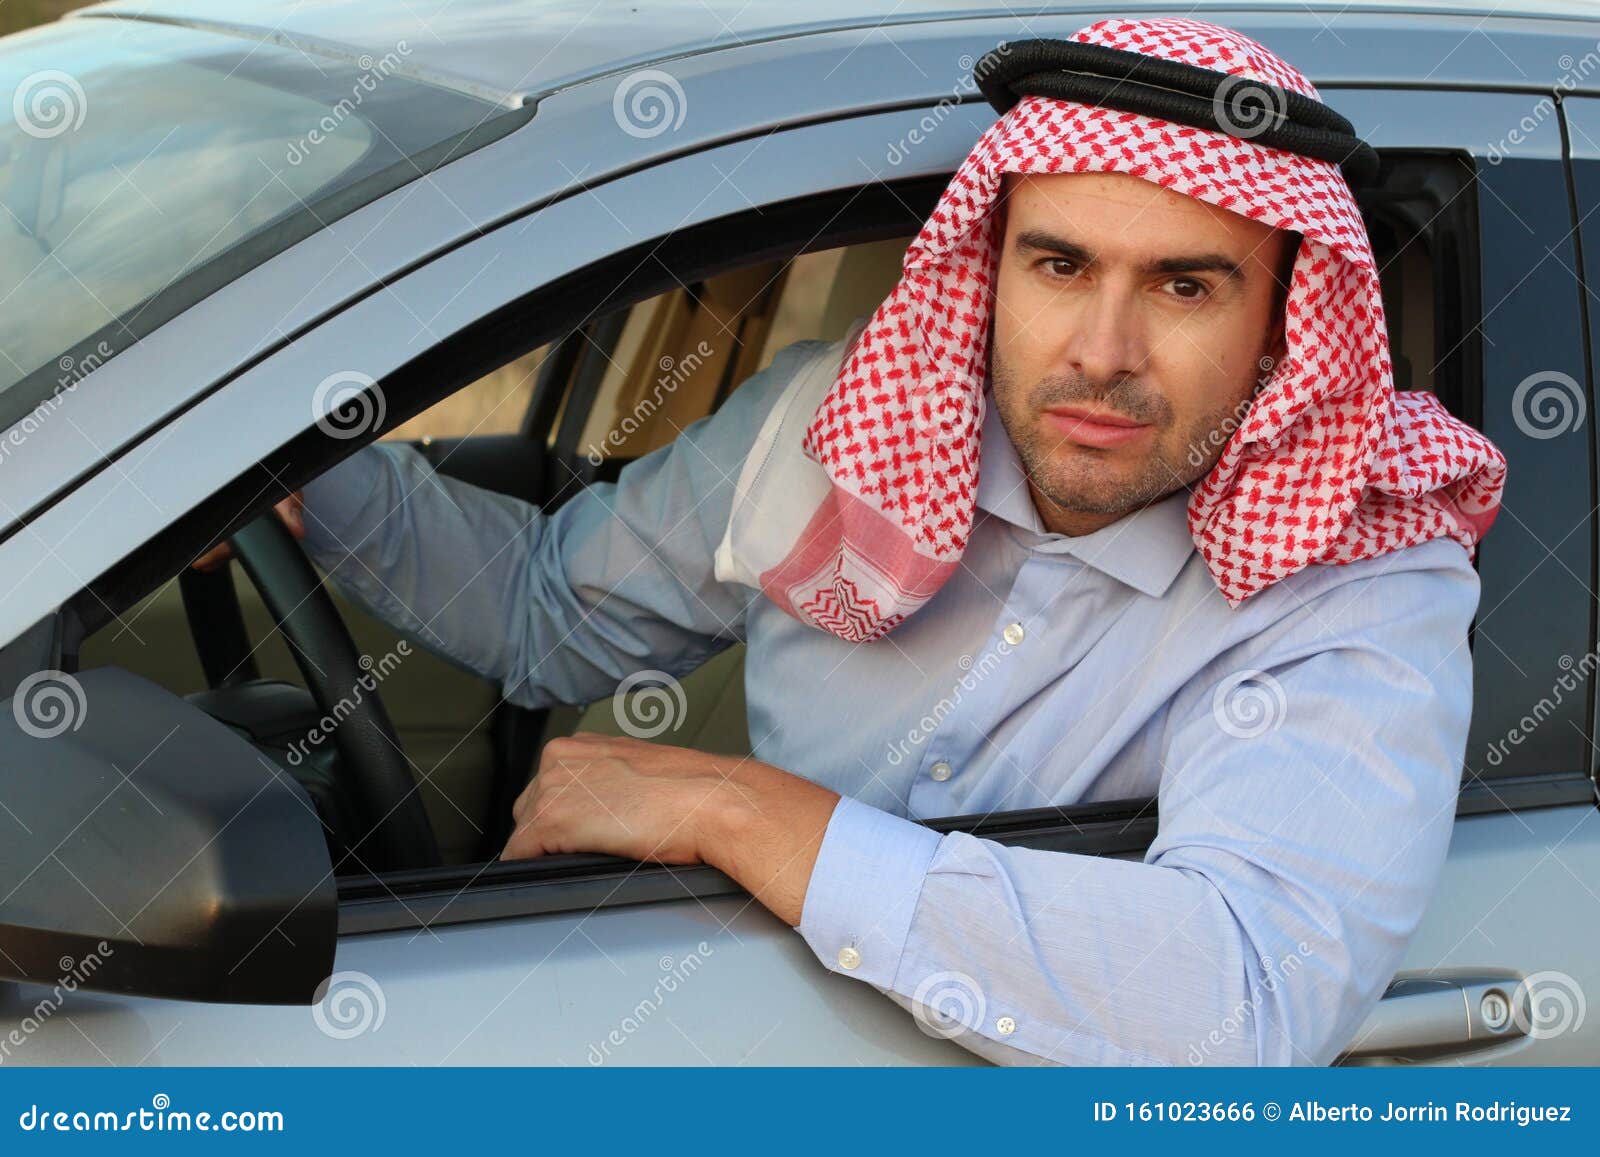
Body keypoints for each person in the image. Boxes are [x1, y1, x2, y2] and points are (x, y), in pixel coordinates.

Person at [198, 18, 1505, 1065]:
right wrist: (294, 482)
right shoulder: (836, 428)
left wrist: (739, 810)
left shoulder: (1361, 571)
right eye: (1059, 267)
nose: (1104, 353)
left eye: (1183, 285)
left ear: (1283, 321)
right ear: (990, 266)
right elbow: (550, 612)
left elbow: (1248, 993)